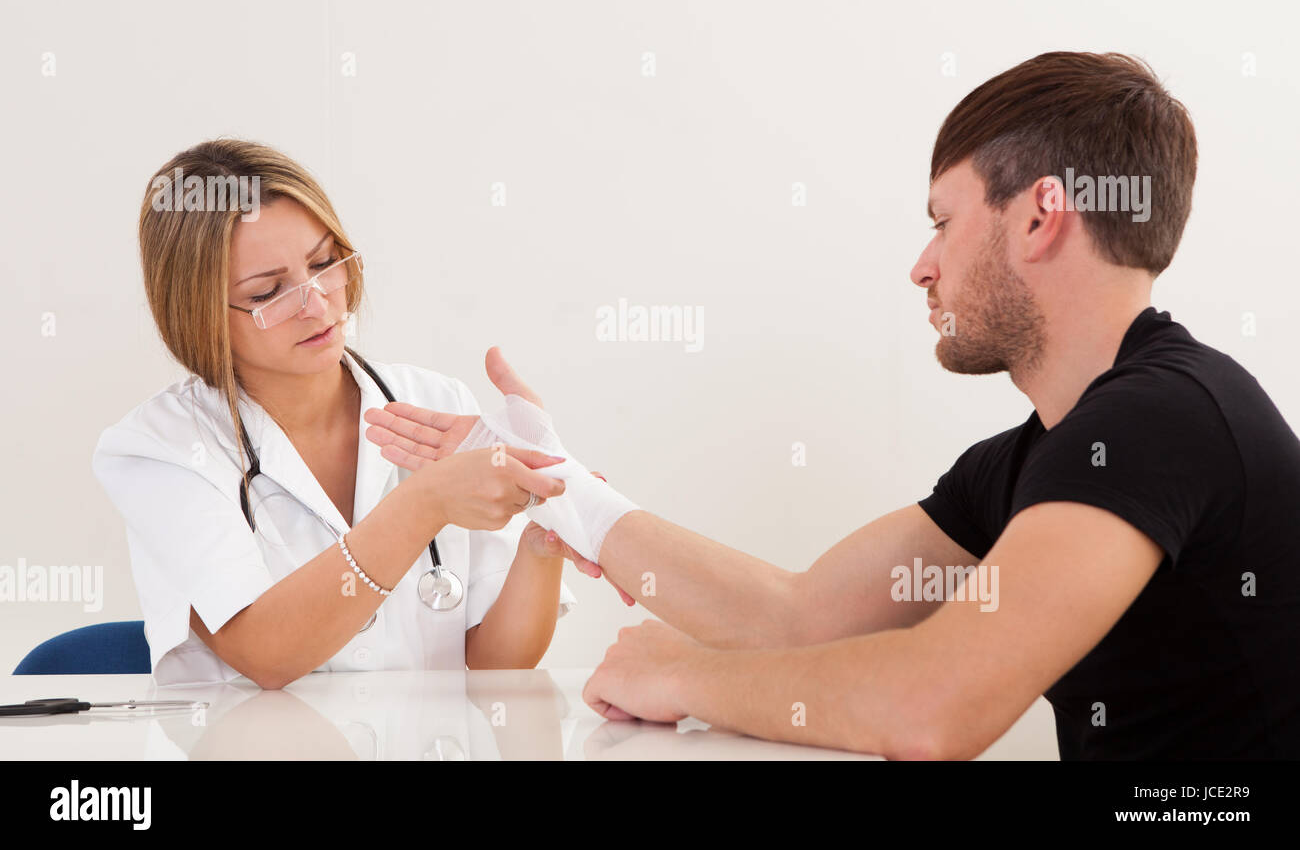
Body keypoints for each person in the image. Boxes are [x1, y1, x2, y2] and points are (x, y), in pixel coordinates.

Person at [367, 52, 1300, 759]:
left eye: (942, 220)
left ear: (1038, 216)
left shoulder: (1159, 421)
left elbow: (935, 705)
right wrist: (557, 481)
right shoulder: (1041, 456)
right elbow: (800, 616)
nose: (921, 265)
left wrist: (686, 677)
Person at [91, 139, 607, 688]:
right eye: (268, 292)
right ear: (197, 315)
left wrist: (542, 537)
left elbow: (497, 664)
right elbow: (265, 653)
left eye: (323, 263)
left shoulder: (437, 402)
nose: (316, 303)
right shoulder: (161, 446)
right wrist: (423, 504)